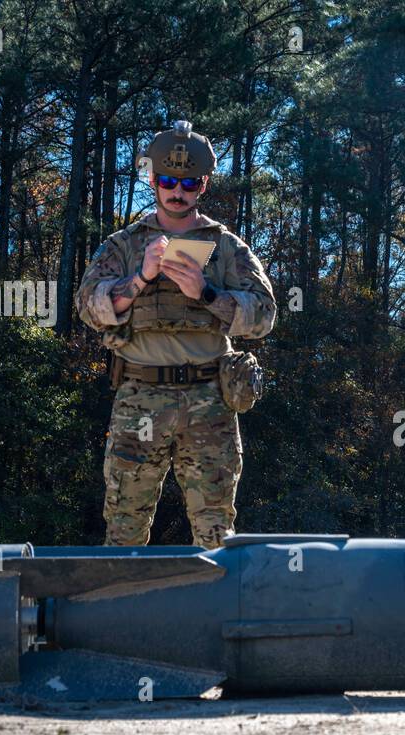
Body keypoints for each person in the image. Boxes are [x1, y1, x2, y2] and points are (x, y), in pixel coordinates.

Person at [75, 120, 276, 549]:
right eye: (167, 180)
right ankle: (124, 612)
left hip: (209, 400)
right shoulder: (124, 245)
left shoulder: (226, 247)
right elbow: (87, 305)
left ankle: (217, 614)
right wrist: (140, 279)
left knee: (216, 531)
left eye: (188, 182)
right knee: (125, 523)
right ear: (152, 179)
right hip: (140, 398)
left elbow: (264, 315)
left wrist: (205, 293)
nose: (177, 190)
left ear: (202, 184)